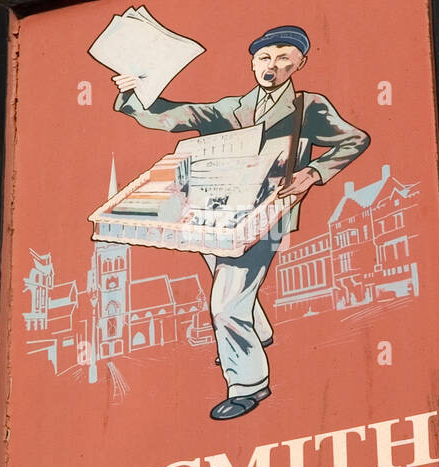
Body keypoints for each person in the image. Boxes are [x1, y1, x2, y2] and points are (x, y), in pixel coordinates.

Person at [112, 24, 370, 420]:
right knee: (227, 281)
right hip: (213, 212)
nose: (273, 65)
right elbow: (170, 117)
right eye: (265, 57)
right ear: (253, 62)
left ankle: (248, 385)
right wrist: (134, 92)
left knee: (226, 303)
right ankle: (257, 332)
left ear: (301, 62)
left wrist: (314, 172)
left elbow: (355, 139)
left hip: (266, 212)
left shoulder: (309, 107)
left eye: (284, 58)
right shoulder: (229, 107)